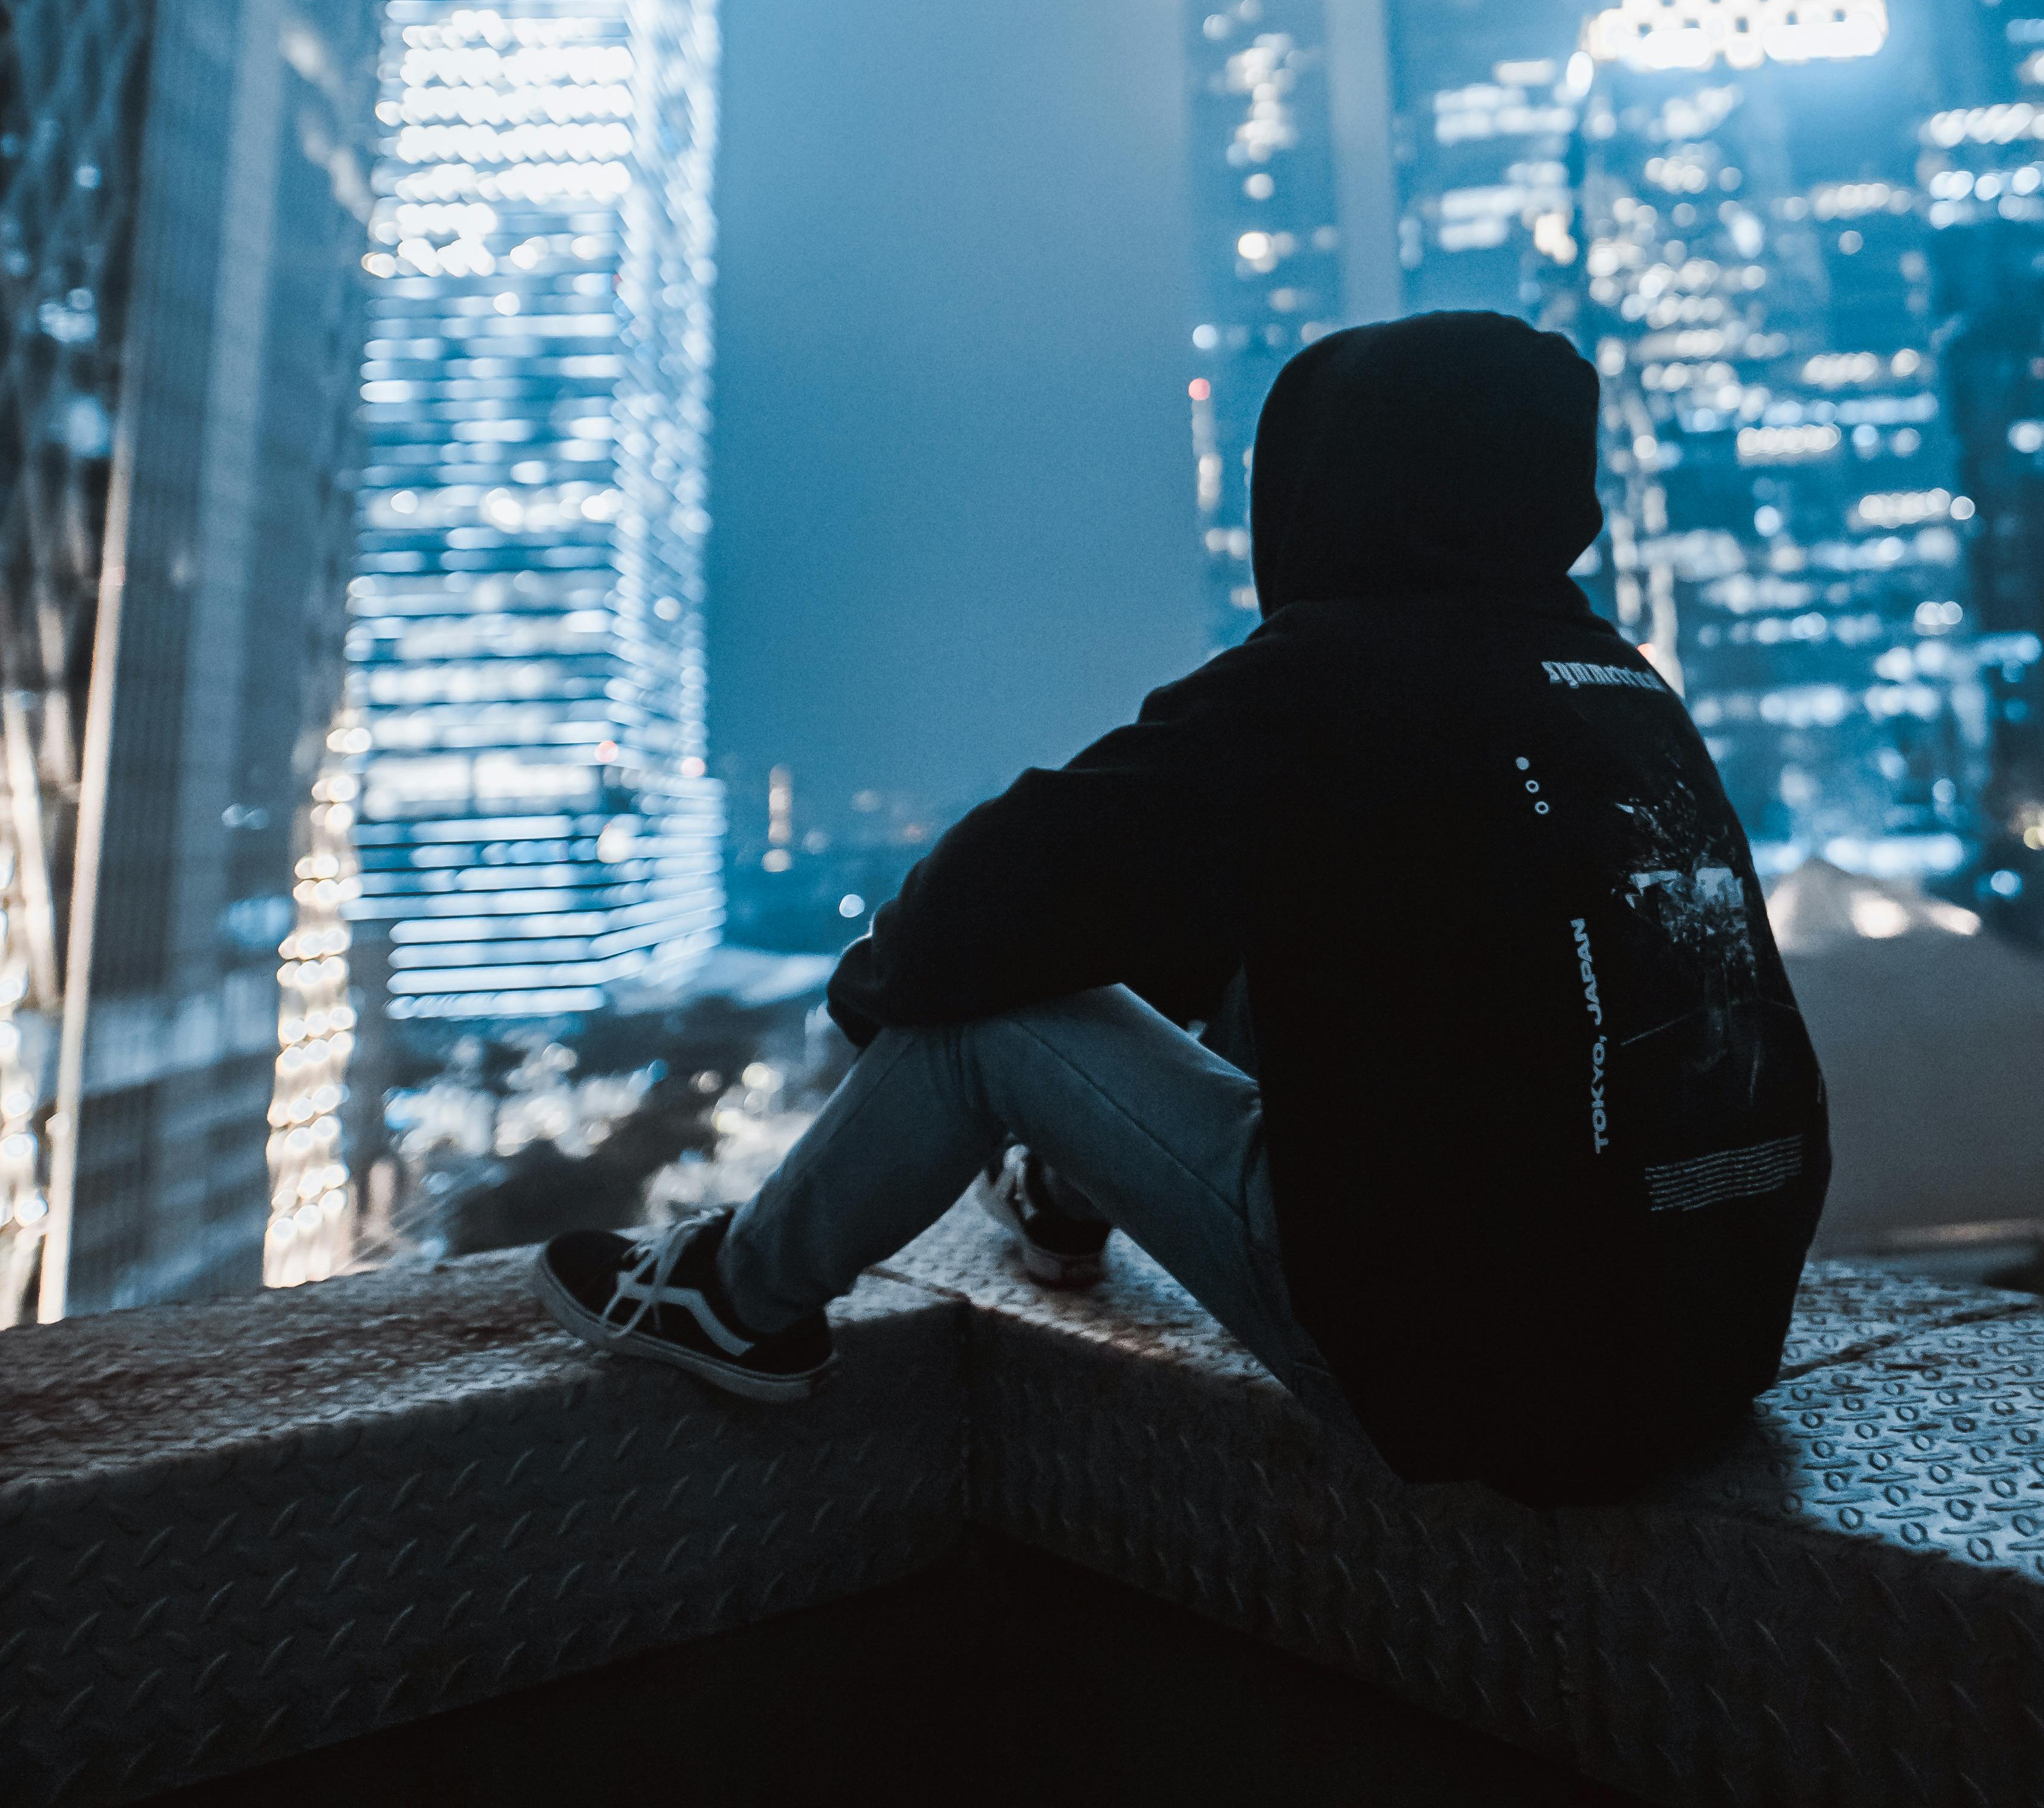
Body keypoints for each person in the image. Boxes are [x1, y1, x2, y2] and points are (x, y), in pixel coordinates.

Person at [535, 311, 1830, 1503]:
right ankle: (1064, 1190)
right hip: (1709, 1342)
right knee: (1298, 918)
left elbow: (994, 897)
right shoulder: (1612, 678)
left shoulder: (1333, 678)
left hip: (1490, 1383)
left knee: (983, 1017)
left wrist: (878, 993)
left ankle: (735, 1301)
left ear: (1336, 482)